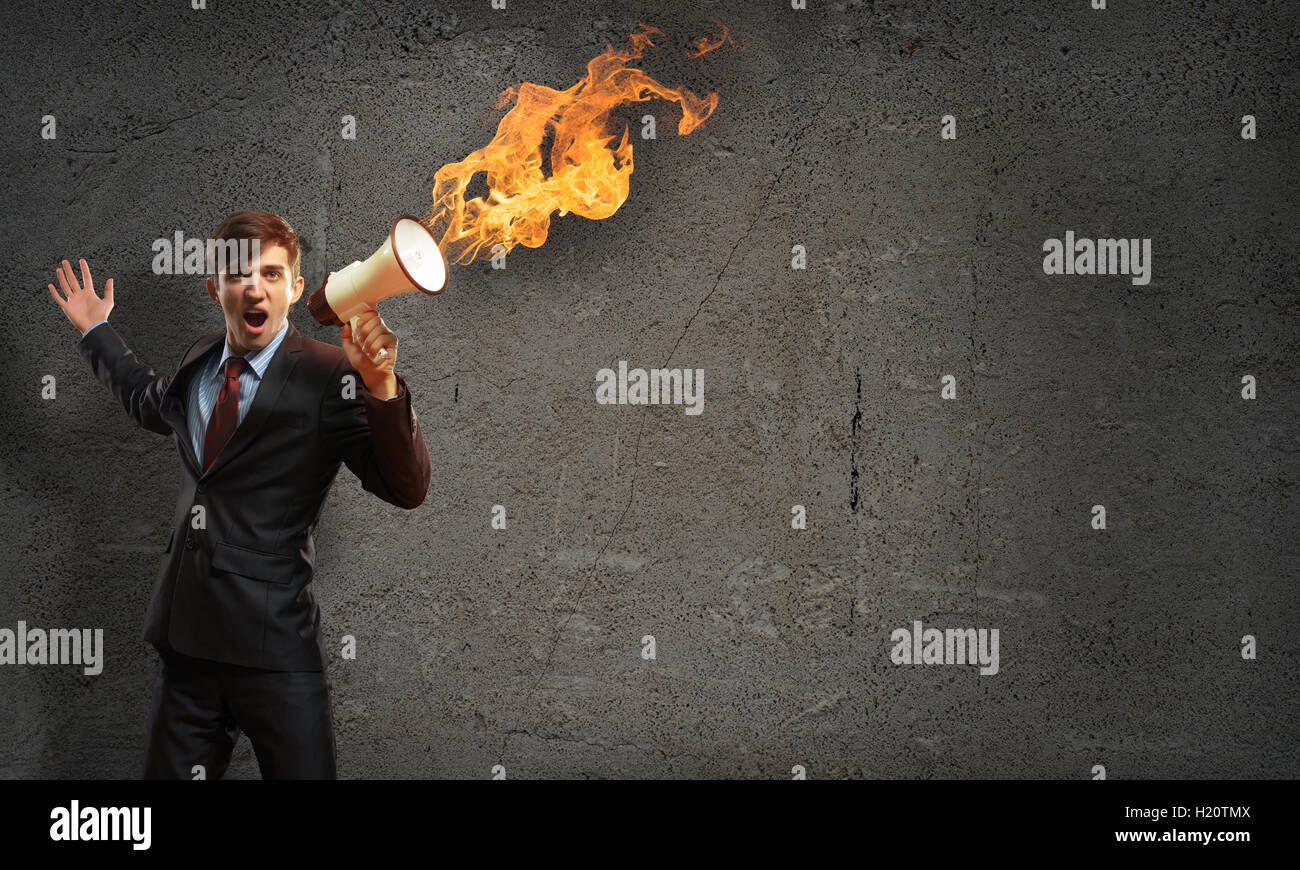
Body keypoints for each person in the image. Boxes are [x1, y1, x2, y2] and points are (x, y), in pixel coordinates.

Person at [47, 210, 432, 779]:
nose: (255, 287)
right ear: (215, 287)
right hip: (187, 649)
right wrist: (95, 329)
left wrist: (380, 385)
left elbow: (406, 486)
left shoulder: (330, 375)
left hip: (274, 651)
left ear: (296, 288)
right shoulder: (200, 359)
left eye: (273, 275)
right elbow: (148, 400)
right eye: (239, 275)